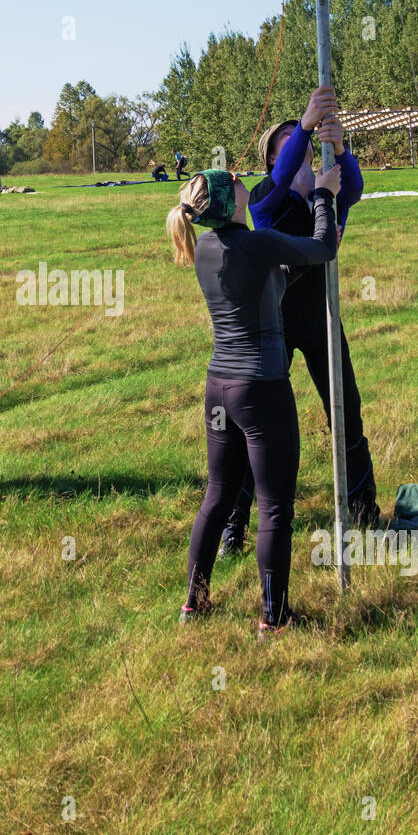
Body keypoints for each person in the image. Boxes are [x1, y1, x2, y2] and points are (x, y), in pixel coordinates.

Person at [167, 163, 341, 636]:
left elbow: (266, 280)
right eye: (239, 183)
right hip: (262, 388)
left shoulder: (204, 246)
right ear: (231, 202)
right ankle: (274, 616)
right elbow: (323, 248)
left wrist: (288, 267)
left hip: (219, 388)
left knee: (218, 495)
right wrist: (323, 197)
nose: (246, 184)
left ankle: (193, 602)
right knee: (275, 506)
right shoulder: (256, 244)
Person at [218, 86, 379, 556]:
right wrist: (305, 124)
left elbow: (355, 188)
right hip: (273, 323)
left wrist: (342, 148)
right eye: (283, 140)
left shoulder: (331, 195)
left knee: (345, 412)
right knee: (259, 427)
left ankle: (364, 512)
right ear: (273, 160)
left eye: (299, 136)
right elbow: (287, 169)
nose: (295, 141)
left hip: (321, 317)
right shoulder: (267, 200)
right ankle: (233, 527)